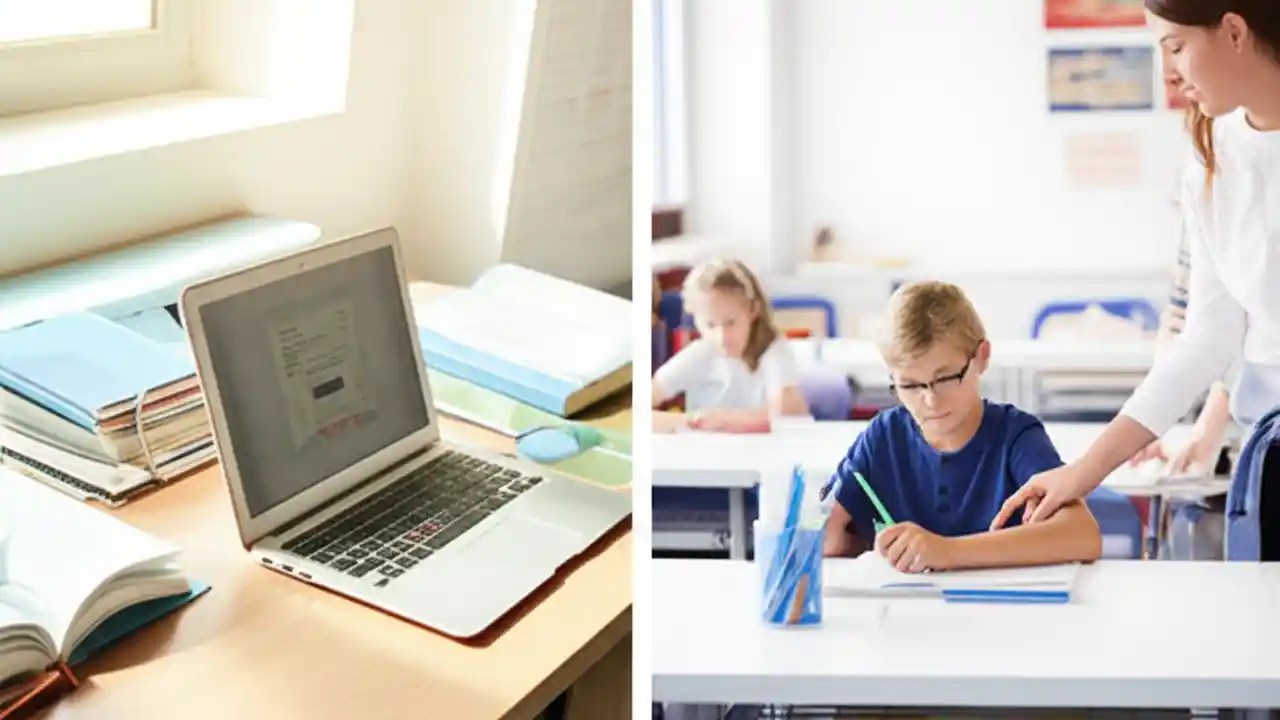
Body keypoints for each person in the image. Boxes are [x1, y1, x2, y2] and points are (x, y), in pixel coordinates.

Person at [994, 0, 1280, 529]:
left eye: (1176, 47)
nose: (1167, 73)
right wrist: (1084, 471)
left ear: (1235, 32)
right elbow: (1209, 336)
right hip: (1268, 455)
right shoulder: (1212, 152)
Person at [822, 281, 1101, 572]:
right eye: (910, 385)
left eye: (945, 378)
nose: (930, 400)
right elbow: (831, 532)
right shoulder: (883, 437)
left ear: (981, 357)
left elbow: (1082, 535)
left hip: (1006, 611)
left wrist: (947, 552)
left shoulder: (1015, 437)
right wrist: (848, 539)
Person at [652, 258, 809, 432]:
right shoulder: (699, 355)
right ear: (695, 319)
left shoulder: (773, 350)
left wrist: (723, 420)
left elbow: (789, 415)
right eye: (710, 325)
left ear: (752, 310)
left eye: (730, 323)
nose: (722, 338)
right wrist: (691, 420)